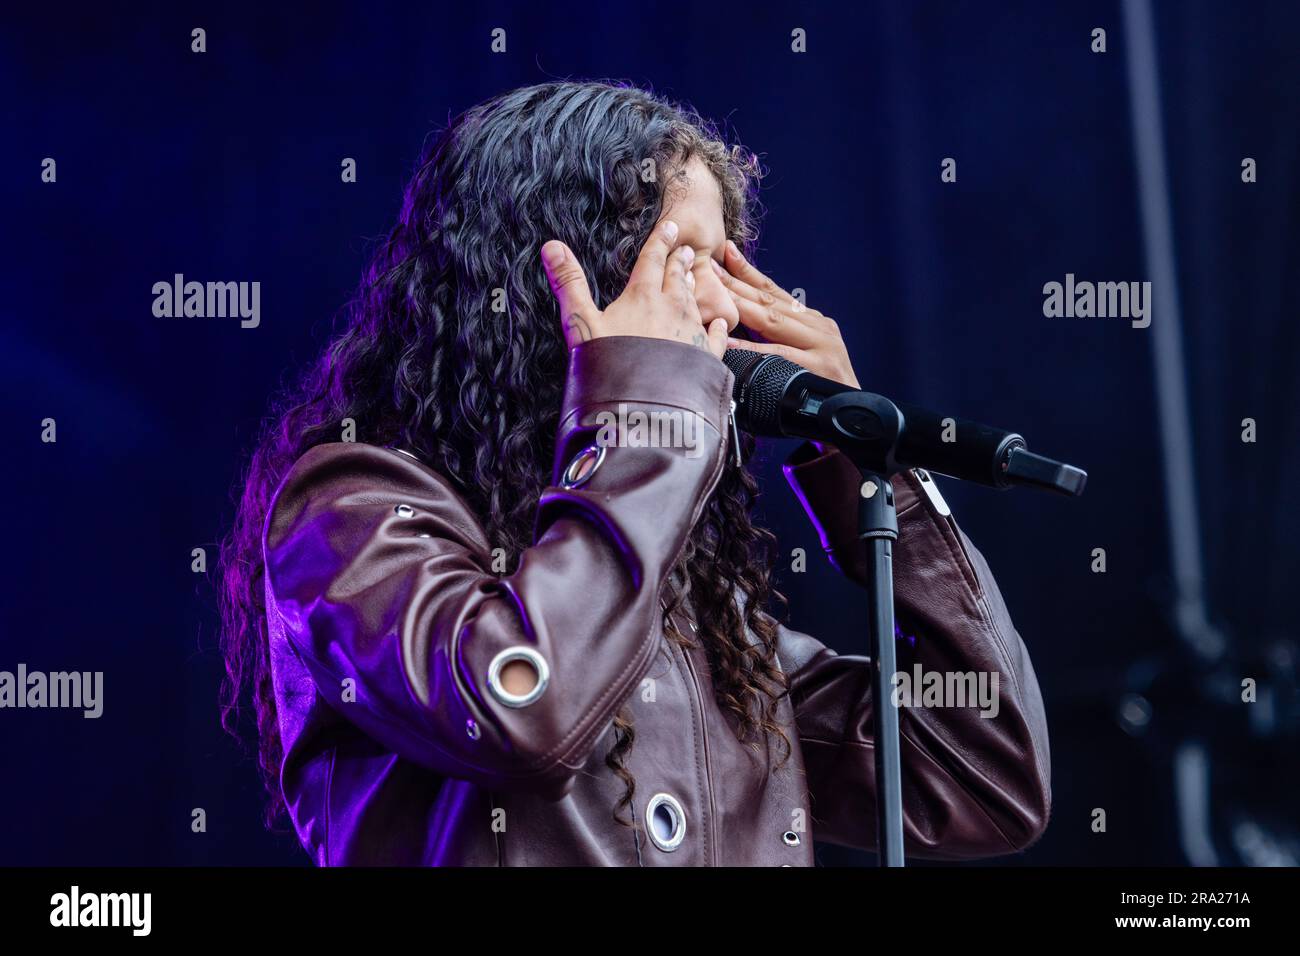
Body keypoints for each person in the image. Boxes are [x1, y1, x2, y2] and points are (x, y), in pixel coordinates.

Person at [219, 80, 1050, 866]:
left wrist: (868, 469)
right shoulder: (349, 505)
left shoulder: (704, 628)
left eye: (719, 268)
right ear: (539, 279)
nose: (718, 313)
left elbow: (985, 773)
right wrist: (643, 410)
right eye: (674, 265)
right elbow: (521, 706)